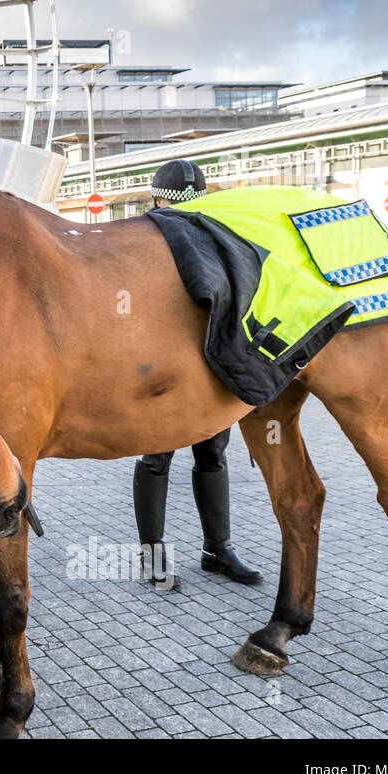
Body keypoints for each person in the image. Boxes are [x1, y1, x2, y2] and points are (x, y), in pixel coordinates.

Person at [133, 159, 263, 590]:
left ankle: (217, 550)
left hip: (211, 367)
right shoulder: (142, 244)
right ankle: (151, 556)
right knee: (157, 457)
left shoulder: (217, 236)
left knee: (212, 454)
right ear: (158, 203)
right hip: (166, 372)